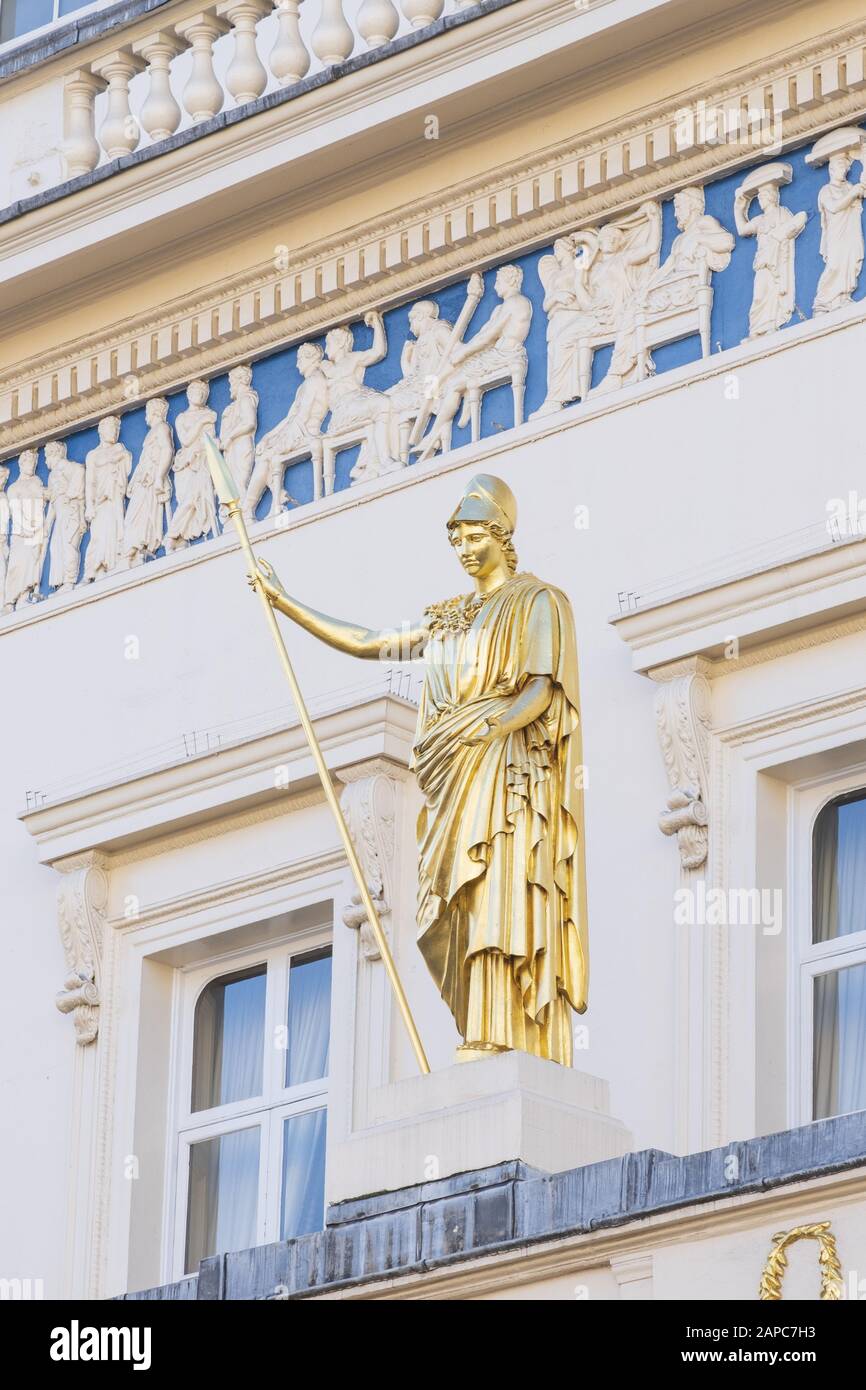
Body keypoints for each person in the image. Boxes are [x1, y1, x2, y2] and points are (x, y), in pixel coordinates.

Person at [252, 473, 588, 1065]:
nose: (463, 548)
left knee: (498, 884)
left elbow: (542, 688)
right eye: (456, 538)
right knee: (452, 902)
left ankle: (500, 1027)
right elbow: (367, 642)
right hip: (453, 769)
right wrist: (286, 605)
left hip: (501, 765)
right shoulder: (445, 623)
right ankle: (477, 1026)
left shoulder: (540, 602)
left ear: (502, 534)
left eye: (473, 534)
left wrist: (488, 727)